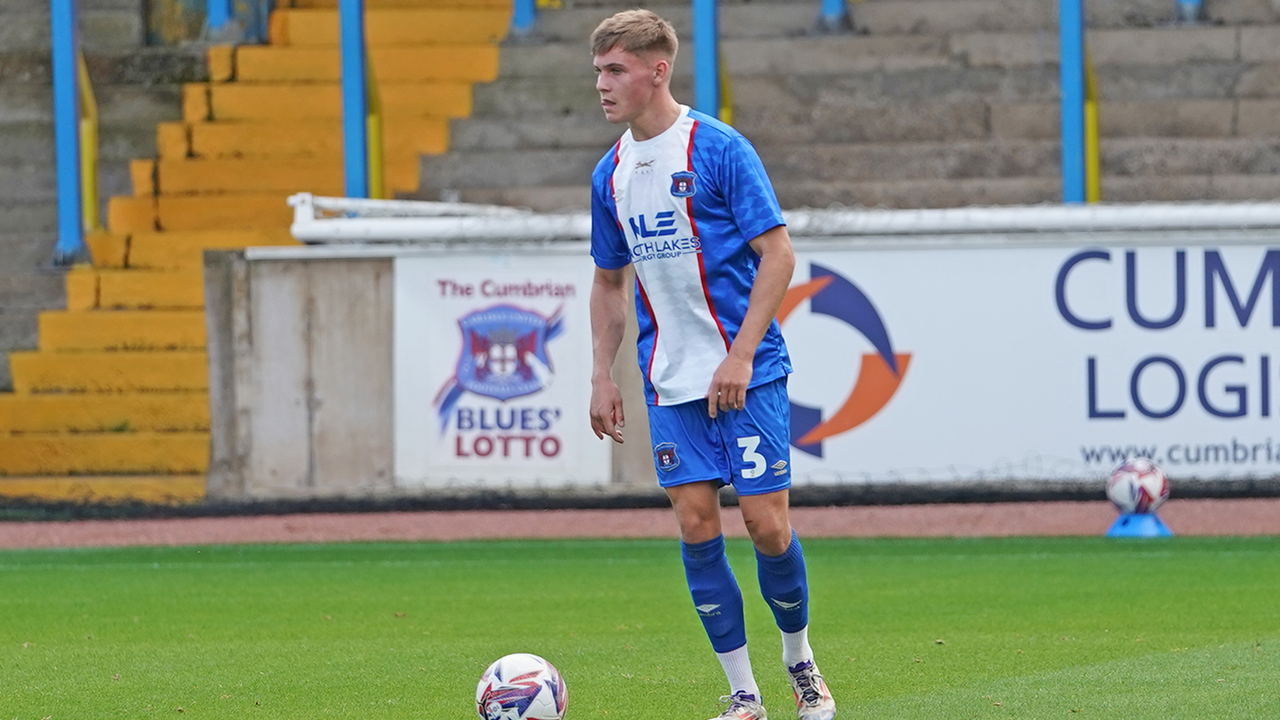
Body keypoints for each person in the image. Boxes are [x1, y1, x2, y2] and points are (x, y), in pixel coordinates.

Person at [585, 10, 837, 720]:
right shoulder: (610, 174)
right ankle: (744, 692)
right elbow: (609, 281)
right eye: (598, 71)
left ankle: (799, 661)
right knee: (697, 524)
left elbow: (778, 255)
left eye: (615, 71)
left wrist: (742, 352)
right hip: (670, 379)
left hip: (745, 373)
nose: (602, 85)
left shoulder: (718, 148)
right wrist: (602, 373)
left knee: (767, 528)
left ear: (655, 71)